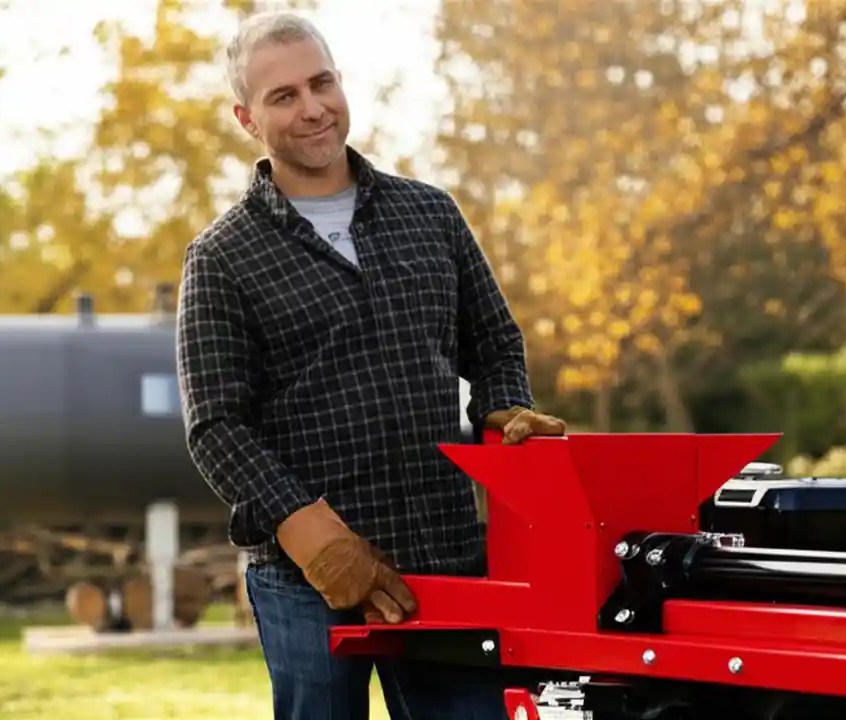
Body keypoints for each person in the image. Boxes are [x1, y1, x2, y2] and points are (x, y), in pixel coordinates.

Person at [174, 10, 566, 720]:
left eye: (321, 83)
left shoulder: (430, 215)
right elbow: (216, 427)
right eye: (283, 96)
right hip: (304, 584)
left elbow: (495, 343)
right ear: (247, 118)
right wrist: (310, 533)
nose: (313, 108)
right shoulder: (221, 257)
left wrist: (503, 404)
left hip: (445, 557)